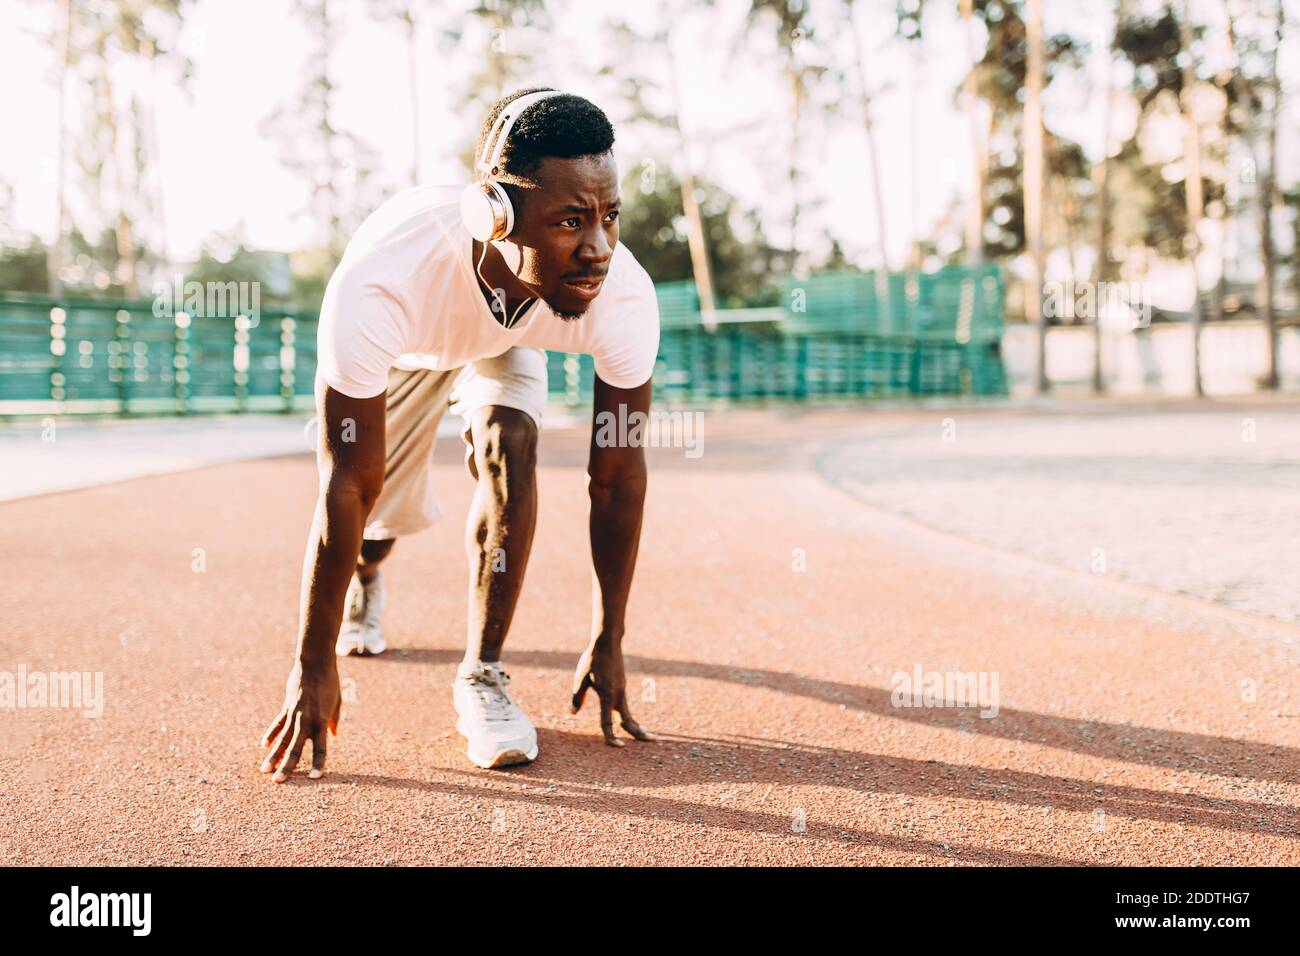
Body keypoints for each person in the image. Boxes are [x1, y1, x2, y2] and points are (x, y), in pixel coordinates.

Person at [259, 88, 660, 778]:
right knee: (374, 521)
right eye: (570, 220)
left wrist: (609, 634)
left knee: (514, 447)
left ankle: (483, 672)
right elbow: (348, 481)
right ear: (494, 214)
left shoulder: (616, 292)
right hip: (418, 346)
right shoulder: (384, 280)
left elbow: (616, 477)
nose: (598, 247)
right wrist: (312, 660)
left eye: (610, 216)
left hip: (514, 330)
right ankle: (368, 576)